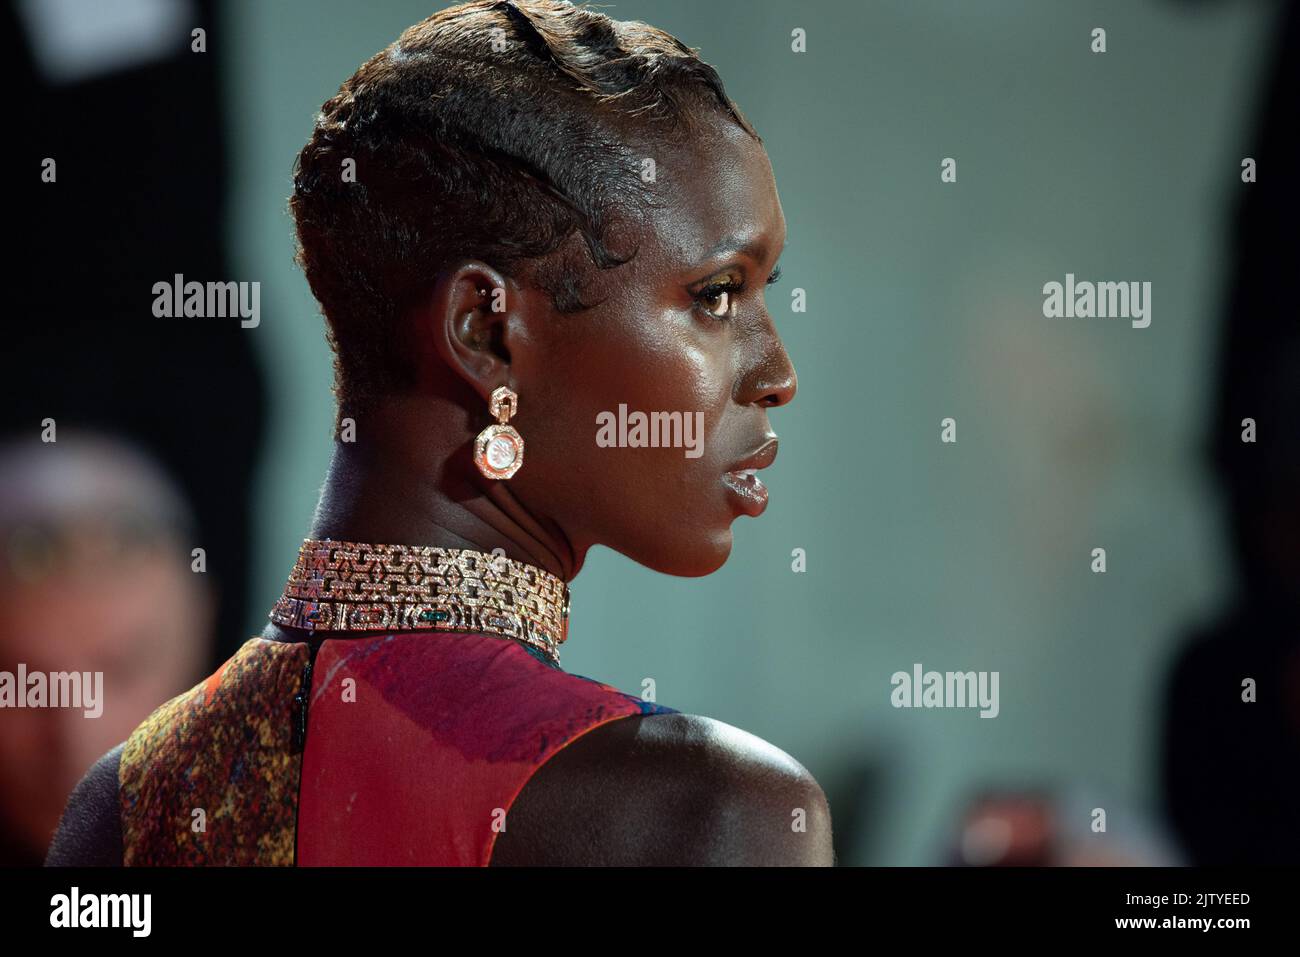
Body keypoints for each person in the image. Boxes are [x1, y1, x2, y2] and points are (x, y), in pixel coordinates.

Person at [46, 0, 832, 866]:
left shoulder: (122, 805)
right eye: (717, 294)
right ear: (486, 331)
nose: (777, 372)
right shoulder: (705, 813)